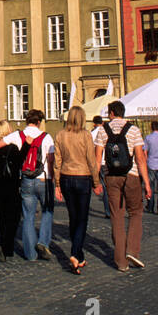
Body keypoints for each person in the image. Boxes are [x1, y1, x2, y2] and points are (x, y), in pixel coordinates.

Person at [94, 101, 150, 272]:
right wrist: (147, 183)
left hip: (111, 176)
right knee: (135, 212)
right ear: (123, 113)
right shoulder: (134, 130)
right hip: (131, 176)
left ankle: (120, 261)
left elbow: (97, 158)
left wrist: (95, 181)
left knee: (117, 216)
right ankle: (132, 250)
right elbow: (140, 159)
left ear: (111, 113)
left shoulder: (102, 130)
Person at [0, 110, 54, 262]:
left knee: (28, 216)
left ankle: (30, 255)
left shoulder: (16, 135)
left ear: (26, 120)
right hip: (43, 179)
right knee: (47, 211)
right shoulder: (46, 137)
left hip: (25, 179)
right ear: (39, 122)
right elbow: (51, 160)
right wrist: (54, 180)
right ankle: (43, 242)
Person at [53, 106, 98, 274]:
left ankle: (79, 256)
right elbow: (91, 160)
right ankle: (74, 253)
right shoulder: (86, 136)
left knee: (73, 217)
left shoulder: (60, 135)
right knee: (82, 218)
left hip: (66, 177)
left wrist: (57, 184)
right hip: (83, 177)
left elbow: (57, 161)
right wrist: (96, 181)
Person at [0, 121, 23, 262]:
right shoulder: (13, 148)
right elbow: (20, 162)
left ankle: (3, 244)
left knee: (2, 215)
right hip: (10, 184)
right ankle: (6, 246)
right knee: (14, 216)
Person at [89, 115, 111, 219]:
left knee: (104, 186)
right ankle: (113, 209)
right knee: (111, 187)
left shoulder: (91, 134)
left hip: (97, 162)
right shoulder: (107, 132)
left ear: (94, 123)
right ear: (102, 122)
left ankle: (108, 211)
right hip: (108, 162)